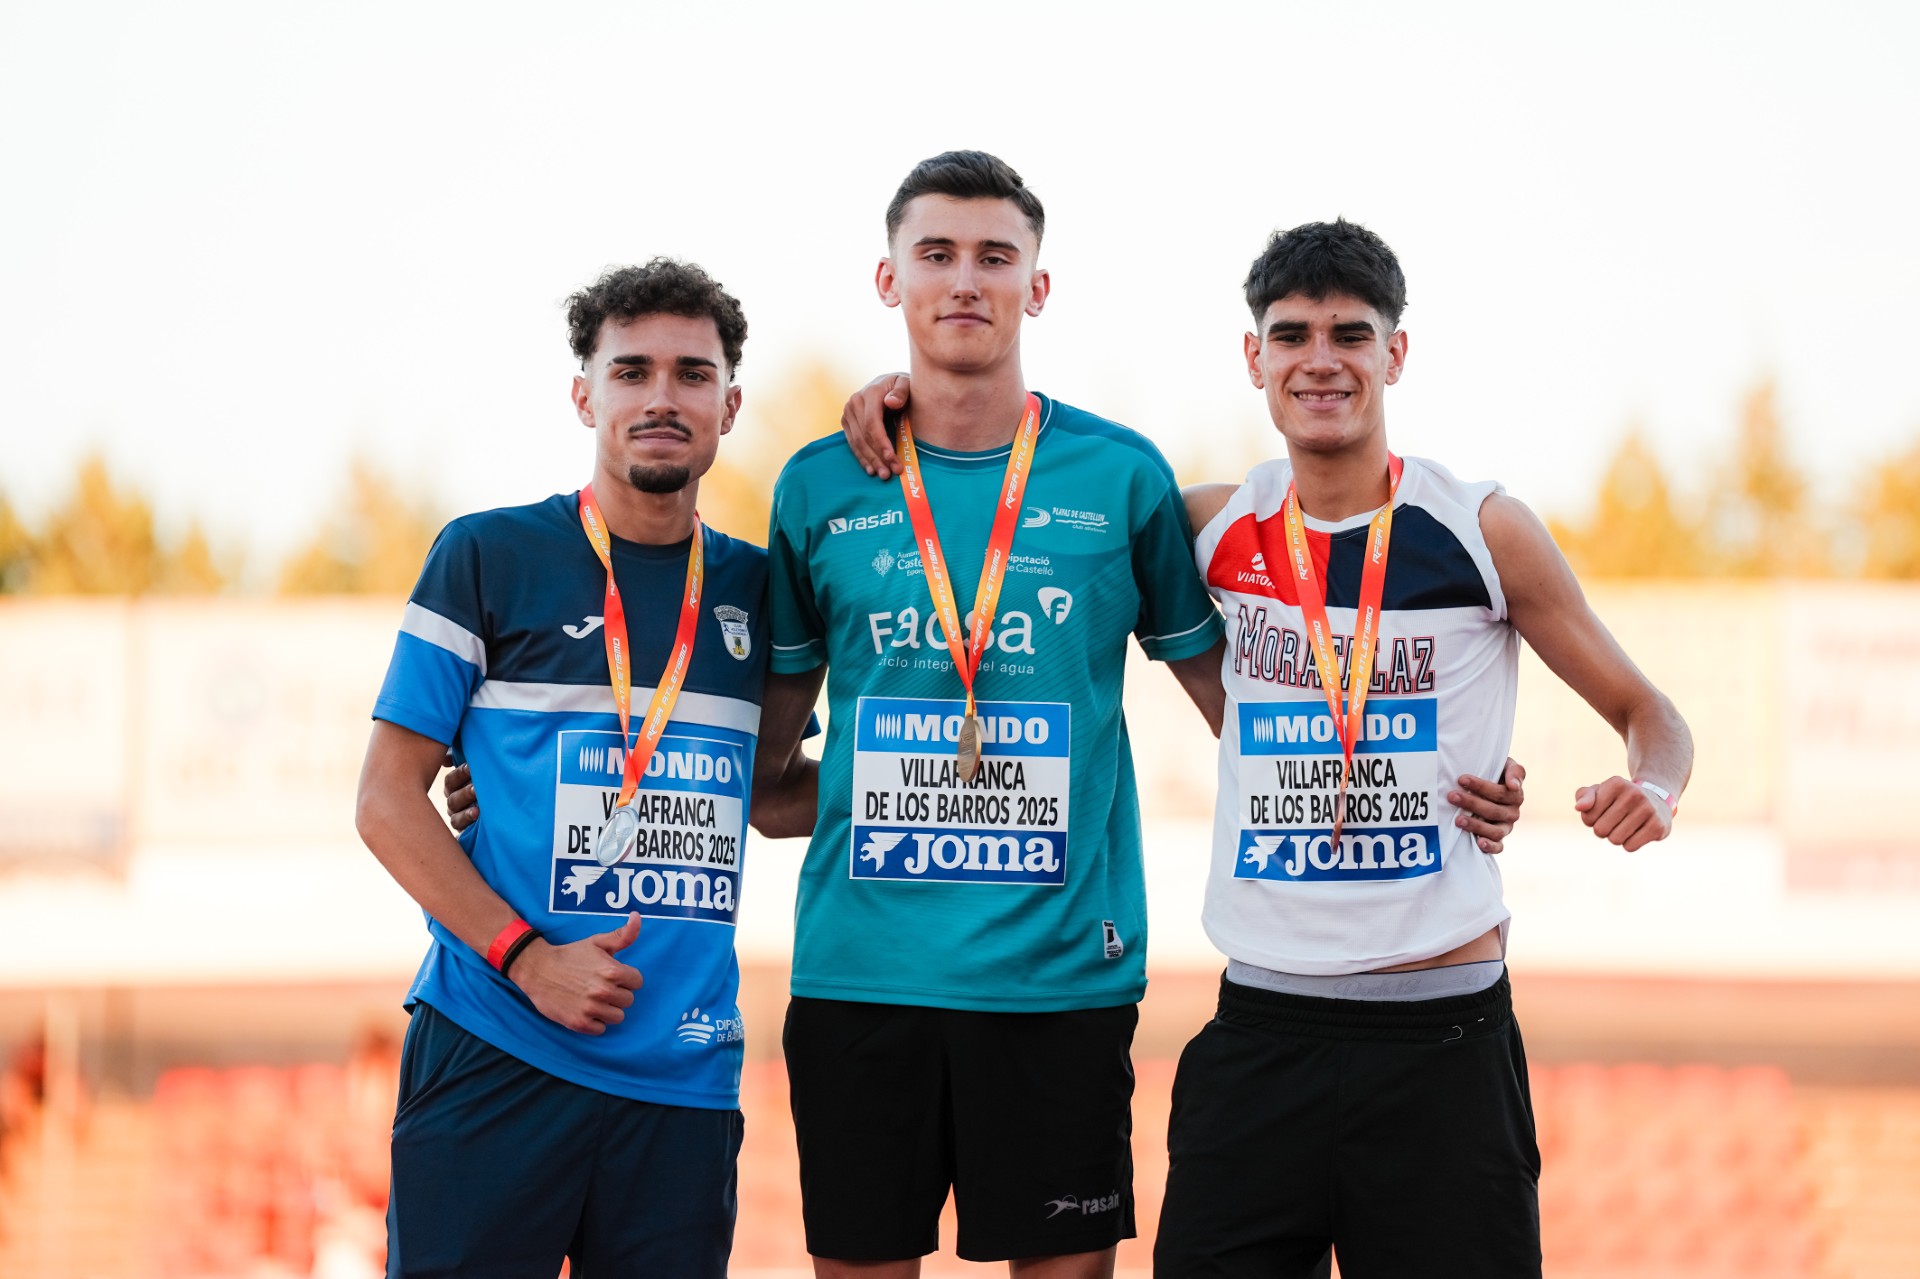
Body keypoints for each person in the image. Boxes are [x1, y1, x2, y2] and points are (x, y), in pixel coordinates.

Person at [1142, 220, 1692, 1277]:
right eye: (1292, 333)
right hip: (1259, 1031)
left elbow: (1651, 712)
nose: (1320, 359)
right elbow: (1036, 513)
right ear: (1253, 356)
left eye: (1351, 333)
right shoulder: (1209, 528)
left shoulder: (1483, 529)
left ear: (1395, 354)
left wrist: (1654, 786)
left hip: (1441, 1044)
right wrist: (905, 389)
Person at [746, 150, 1231, 1278]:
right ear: (890, 280)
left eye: (995, 257)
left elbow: (1234, 711)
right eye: (938, 255)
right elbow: (761, 769)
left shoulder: (1122, 476)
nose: (966, 280)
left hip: (1059, 981)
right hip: (860, 976)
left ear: (1037, 288)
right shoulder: (819, 485)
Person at [354, 258, 776, 1277]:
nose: (661, 397)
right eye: (631, 371)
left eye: (691, 372)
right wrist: (530, 959)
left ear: (730, 402)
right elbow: (384, 800)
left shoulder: (761, 591)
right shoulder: (488, 555)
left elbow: (774, 796)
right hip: (498, 1041)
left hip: (681, 1074)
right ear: (585, 393)